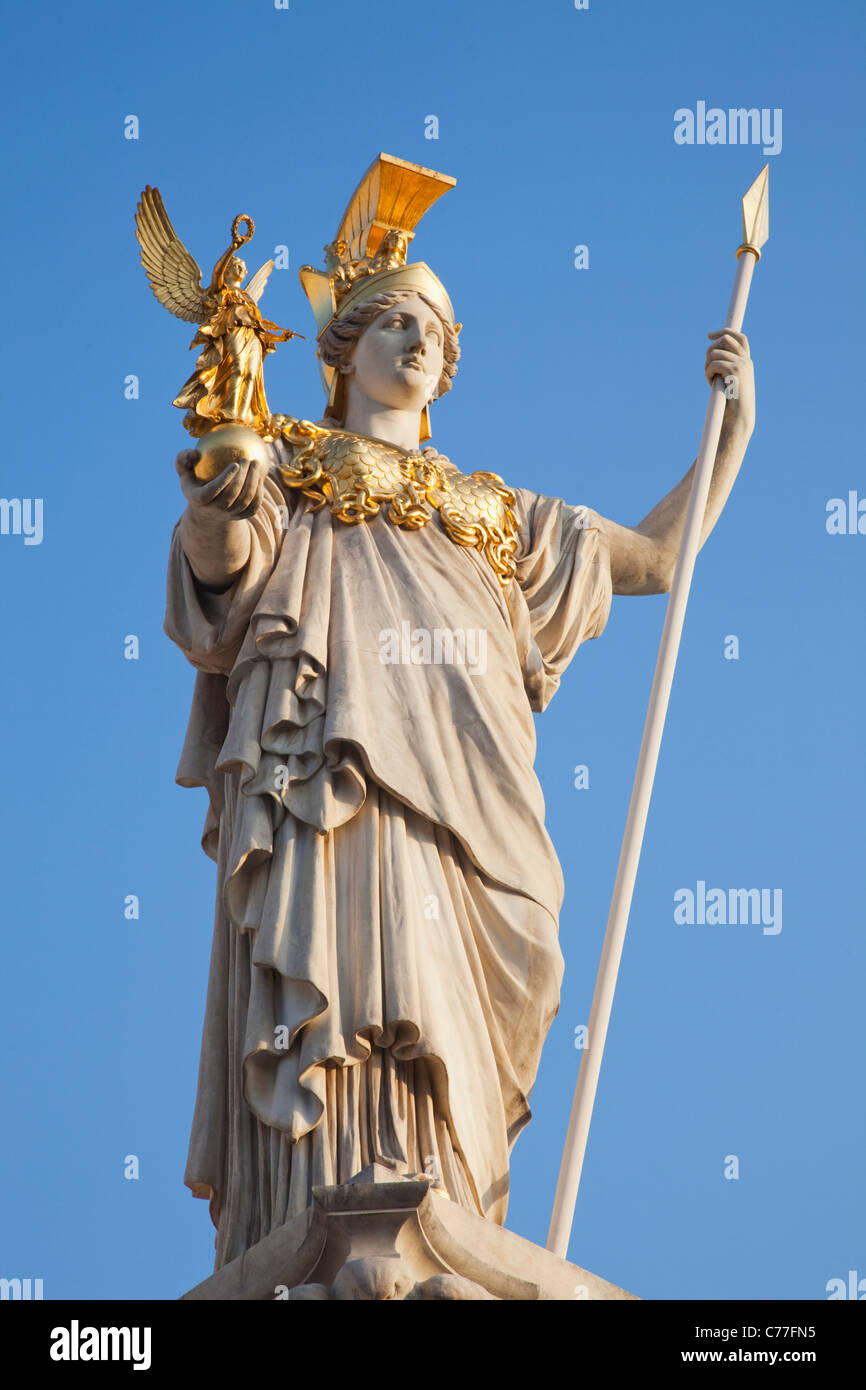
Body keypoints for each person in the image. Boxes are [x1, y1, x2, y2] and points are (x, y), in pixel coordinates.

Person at [164, 169, 755, 1271]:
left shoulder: (495, 513)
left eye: (432, 328)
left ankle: (449, 1207)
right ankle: (328, 1201)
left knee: (460, 997)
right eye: (390, 322)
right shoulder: (290, 468)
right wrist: (218, 499)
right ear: (341, 349)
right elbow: (222, 591)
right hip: (334, 775)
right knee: (342, 975)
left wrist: (729, 431)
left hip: (473, 803)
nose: (415, 341)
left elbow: (657, 559)